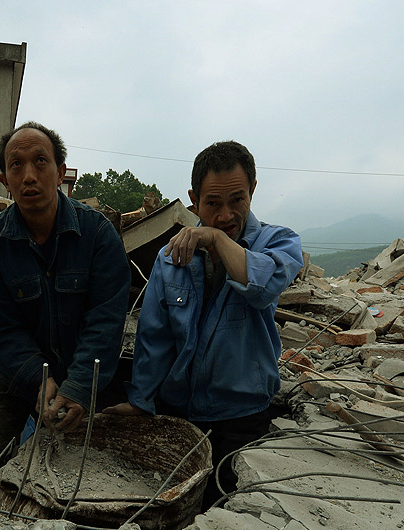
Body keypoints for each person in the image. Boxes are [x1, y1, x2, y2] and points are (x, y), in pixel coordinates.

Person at [106, 140, 303, 506]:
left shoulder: (278, 242)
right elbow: (155, 337)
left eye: (237, 201)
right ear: (194, 199)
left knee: (225, 510)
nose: (226, 214)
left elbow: (260, 286)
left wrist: (212, 235)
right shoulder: (173, 258)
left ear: (252, 192)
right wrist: (142, 400)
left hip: (242, 415)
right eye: (213, 204)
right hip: (180, 412)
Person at [0, 122, 131, 496]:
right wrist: (37, 380)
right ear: (5, 181)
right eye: (16, 165)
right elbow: (1, 330)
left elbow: (105, 319)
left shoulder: (98, 235)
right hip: (16, 371)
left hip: (83, 367)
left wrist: (77, 387)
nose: (29, 176)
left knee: (95, 471)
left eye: (40, 161)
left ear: (59, 172)